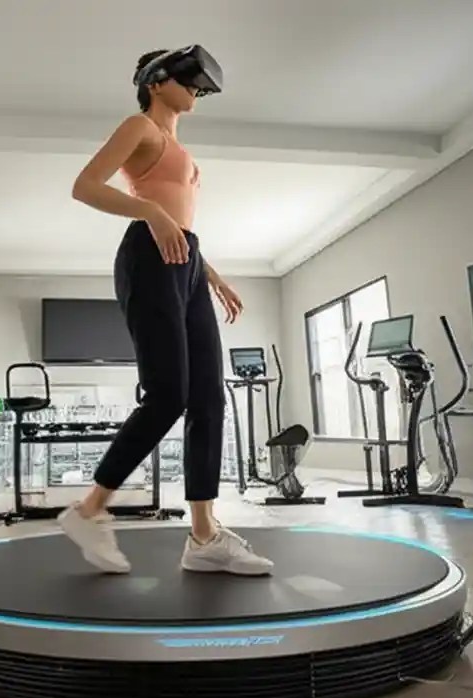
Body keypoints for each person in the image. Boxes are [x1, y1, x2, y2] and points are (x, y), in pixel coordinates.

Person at [60, 46, 273, 576]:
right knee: (168, 396)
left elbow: (182, 225)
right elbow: (84, 186)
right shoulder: (139, 126)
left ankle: (203, 536)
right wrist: (149, 210)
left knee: (208, 398)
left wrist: (211, 275)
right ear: (157, 82)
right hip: (148, 257)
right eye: (190, 82)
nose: (197, 91)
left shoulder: (179, 144)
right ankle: (88, 511)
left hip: (186, 263)